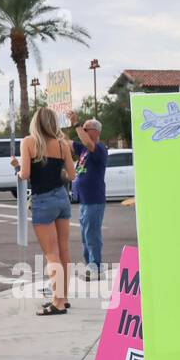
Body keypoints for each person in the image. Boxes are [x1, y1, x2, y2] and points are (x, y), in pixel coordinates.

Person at [14, 107, 76, 315]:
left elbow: (25, 174)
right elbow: (72, 175)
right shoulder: (62, 144)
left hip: (43, 200)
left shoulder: (28, 142)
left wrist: (17, 166)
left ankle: (57, 302)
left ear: (35, 122)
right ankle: (63, 297)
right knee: (63, 250)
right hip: (62, 197)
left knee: (51, 254)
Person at [71, 115, 109, 280]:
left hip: (94, 199)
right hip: (85, 200)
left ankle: (96, 267)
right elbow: (66, 143)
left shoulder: (99, 148)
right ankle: (90, 266)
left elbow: (87, 142)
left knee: (92, 235)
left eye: (86, 130)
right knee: (85, 235)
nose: (83, 132)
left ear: (95, 131)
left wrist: (76, 124)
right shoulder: (84, 150)